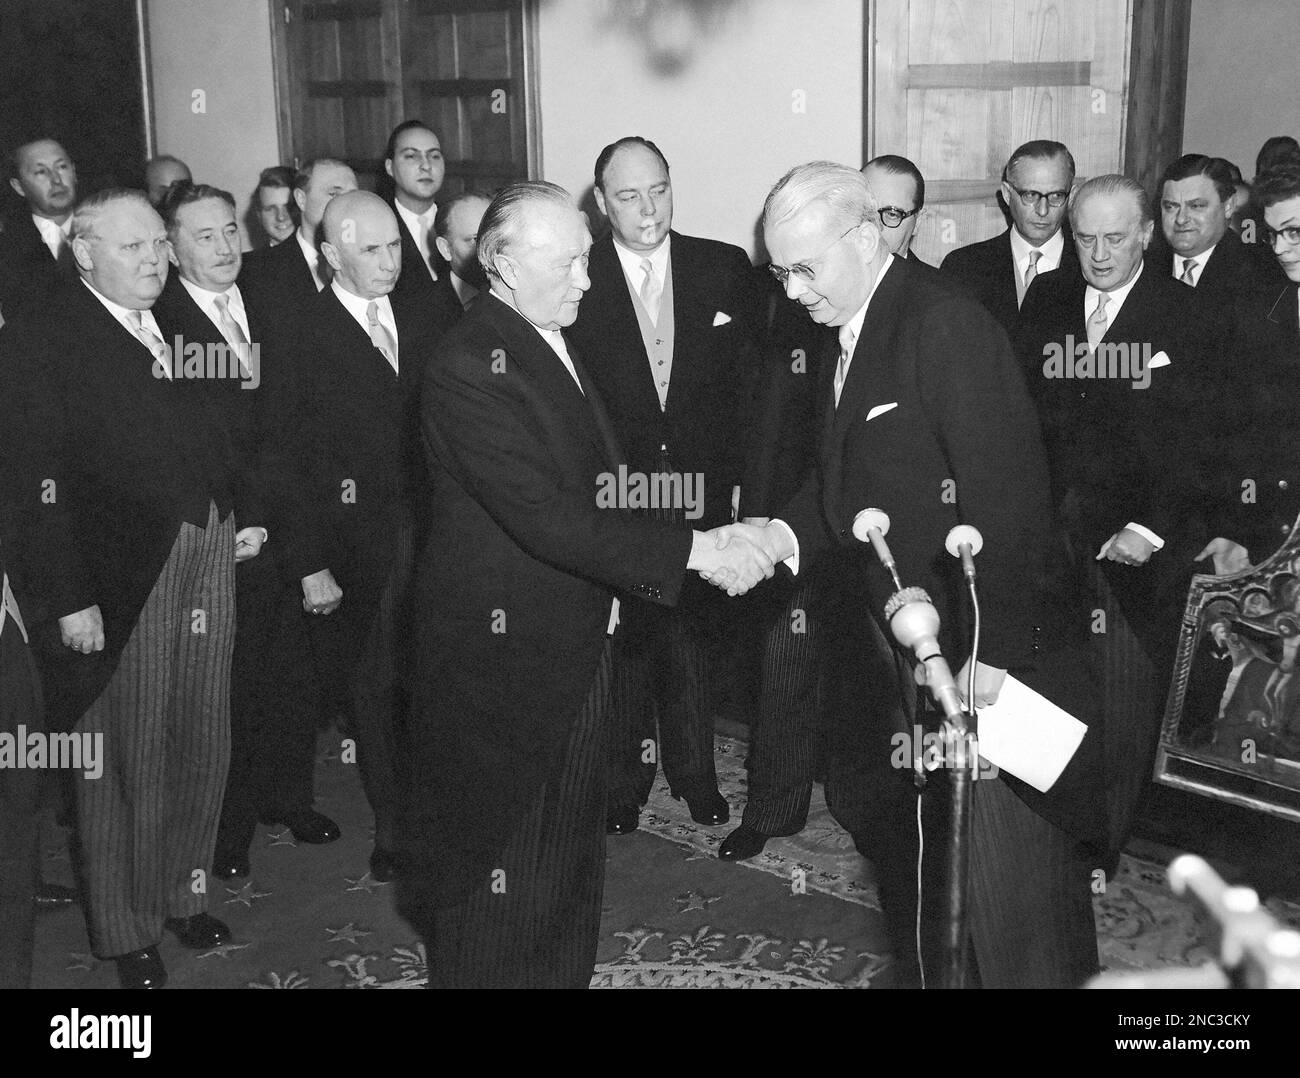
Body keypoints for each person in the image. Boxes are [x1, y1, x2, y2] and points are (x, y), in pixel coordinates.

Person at [719, 162, 1107, 989]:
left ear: (865, 239)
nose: (791, 292)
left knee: (1007, 892)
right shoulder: (851, 327)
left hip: (981, 667)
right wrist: (774, 533)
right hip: (910, 651)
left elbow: (1011, 505)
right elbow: (844, 484)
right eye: (780, 271)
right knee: (940, 886)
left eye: (804, 269)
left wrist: (985, 666)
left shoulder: (943, 325)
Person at [397, 180, 773, 988]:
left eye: (587, 258)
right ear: (499, 265)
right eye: (567, 263)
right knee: (501, 867)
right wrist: (698, 553)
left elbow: (603, 488)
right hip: (507, 659)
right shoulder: (471, 363)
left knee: (566, 859)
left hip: (578, 640)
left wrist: (711, 526)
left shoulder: (549, 334)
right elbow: (548, 518)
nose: (587, 280)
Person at [0, 188, 256, 988]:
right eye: (133, 248)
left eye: (157, 247)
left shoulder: (179, 318)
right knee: (123, 757)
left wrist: (239, 511)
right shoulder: (44, 338)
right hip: (121, 576)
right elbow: (31, 479)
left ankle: (182, 895)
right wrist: (66, 595)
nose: (153, 262)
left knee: (201, 736)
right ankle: (126, 927)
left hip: (207, 547)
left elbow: (228, 426)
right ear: (84, 252)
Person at [568, 136, 762, 836]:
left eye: (658, 189)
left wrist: (741, 487)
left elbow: (746, 389)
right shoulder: (574, 275)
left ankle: (696, 776)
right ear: (600, 203)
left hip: (701, 493)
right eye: (628, 195)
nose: (647, 208)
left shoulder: (723, 266)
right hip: (616, 496)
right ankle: (623, 782)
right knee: (625, 647)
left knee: (689, 639)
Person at [152, 182, 340, 878]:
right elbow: (185, 446)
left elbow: (291, 433)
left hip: (281, 529)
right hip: (212, 541)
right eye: (205, 236)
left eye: (230, 230)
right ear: (172, 248)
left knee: (288, 678)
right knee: (218, 698)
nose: (225, 246)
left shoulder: (271, 301)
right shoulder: (161, 323)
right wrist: (236, 524)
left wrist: (291, 538)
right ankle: (221, 839)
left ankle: (289, 799)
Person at [268, 190, 442, 882]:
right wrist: (309, 564)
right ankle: (396, 832)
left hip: (435, 534)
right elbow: (282, 458)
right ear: (331, 254)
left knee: (436, 680)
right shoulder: (297, 331)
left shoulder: (429, 312)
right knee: (376, 690)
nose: (388, 261)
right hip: (352, 550)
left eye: (395, 245)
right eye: (370, 249)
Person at [942, 139, 1079, 334]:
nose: (1042, 210)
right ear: (1007, 194)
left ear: (1071, 196)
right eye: (1030, 195)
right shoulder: (963, 267)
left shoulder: (1091, 267)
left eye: (1056, 196)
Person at [239, 158, 358, 314]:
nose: (347, 204)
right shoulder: (254, 271)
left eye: (353, 196)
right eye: (334, 194)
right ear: (301, 199)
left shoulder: (369, 259)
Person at [1153, 153, 1274, 298]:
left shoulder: (1260, 274)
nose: (1181, 219)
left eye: (1196, 206)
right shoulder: (1142, 266)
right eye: (1171, 207)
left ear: (1228, 206)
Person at [0, 137, 79, 325]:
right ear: (18, 186)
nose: (56, 180)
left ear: (74, 172)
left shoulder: (108, 229)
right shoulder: (7, 250)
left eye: (62, 167)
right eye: (41, 172)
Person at [384, 120, 445, 311]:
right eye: (411, 156)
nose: (426, 165)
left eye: (434, 156)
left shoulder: (455, 219)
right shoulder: (378, 225)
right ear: (389, 167)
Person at [429, 192, 489, 335]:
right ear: (445, 249)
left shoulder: (522, 297)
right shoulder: (421, 312)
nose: (489, 249)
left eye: (494, 236)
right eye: (475, 240)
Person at [861, 154, 929, 263]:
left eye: (892, 214)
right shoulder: (829, 277)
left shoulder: (934, 280)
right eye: (866, 209)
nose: (874, 225)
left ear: (918, 222)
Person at [252, 165, 298, 246]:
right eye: (270, 209)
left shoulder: (325, 256)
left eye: (288, 207)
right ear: (259, 215)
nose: (281, 217)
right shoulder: (255, 258)